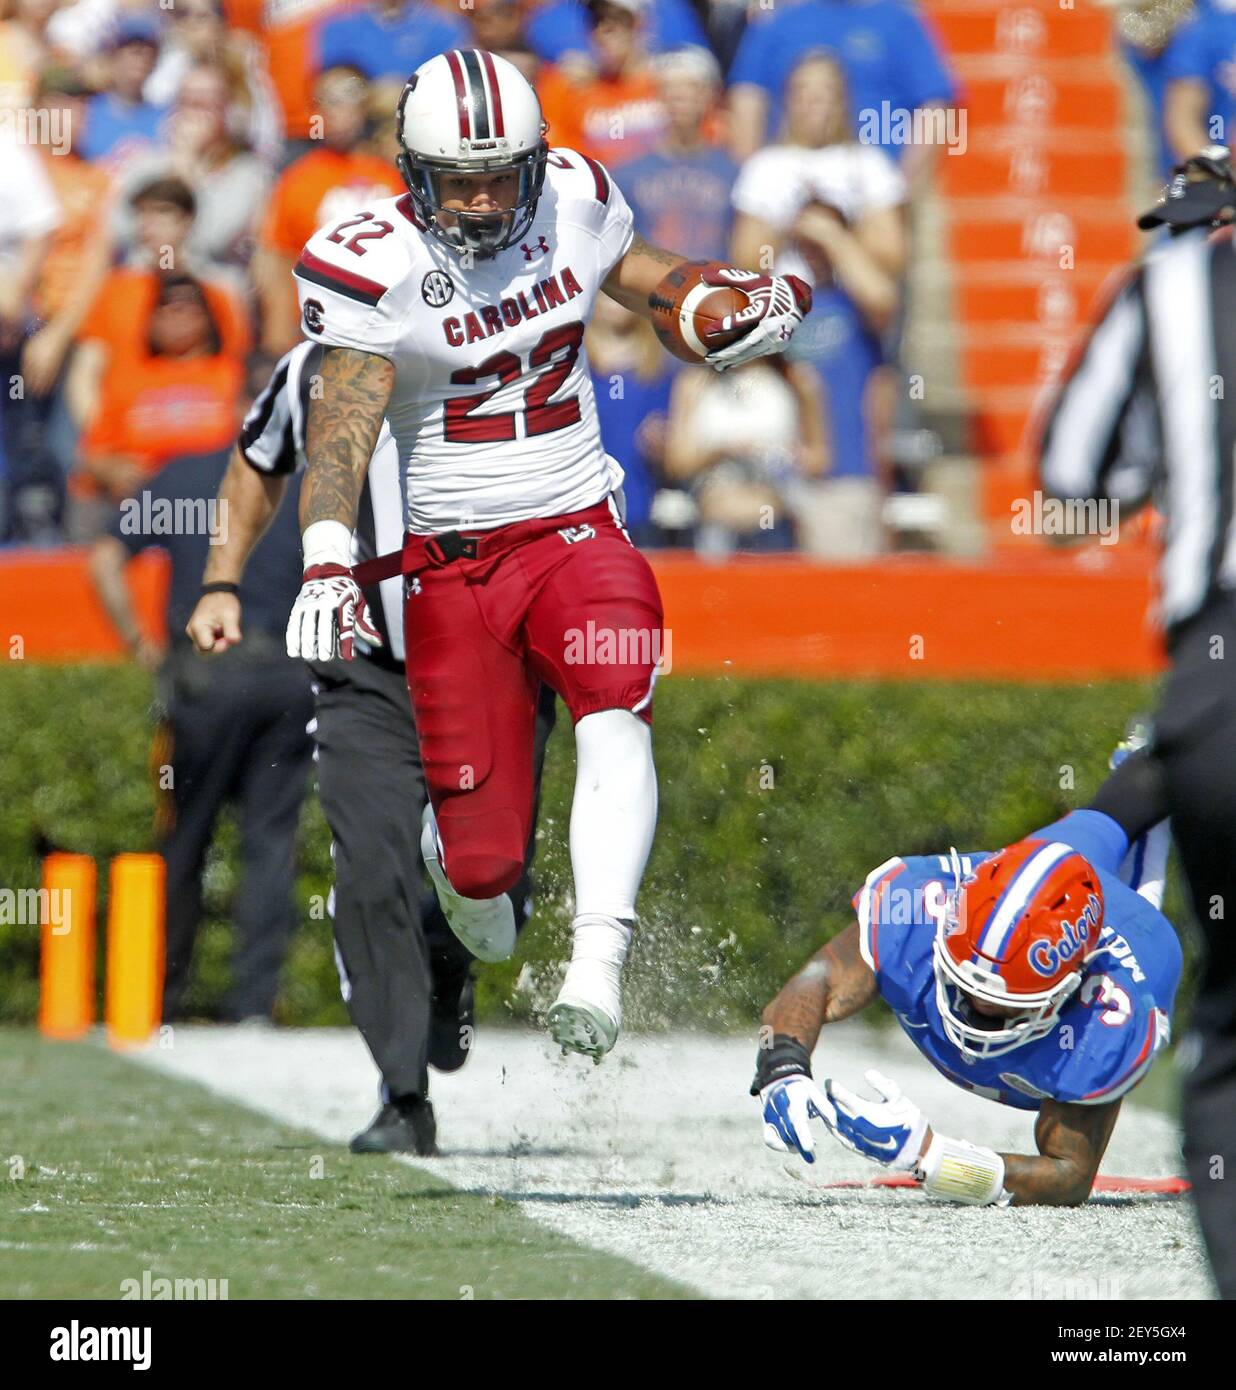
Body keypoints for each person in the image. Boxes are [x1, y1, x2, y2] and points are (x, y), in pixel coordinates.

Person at [281, 47, 811, 1059]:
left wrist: (728, 302)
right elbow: (343, 422)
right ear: (411, 171)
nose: (482, 202)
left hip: (574, 523)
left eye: (499, 175)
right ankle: (465, 908)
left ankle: (596, 970)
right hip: (449, 566)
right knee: (482, 875)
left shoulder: (572, 197)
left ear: (536, 160)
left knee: (619, 696)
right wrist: (323, 556)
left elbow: (652, 281)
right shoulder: (367, 259)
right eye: (458, 180)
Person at [185, 340, 559, 1153]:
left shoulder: (500, 333)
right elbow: (256, 460)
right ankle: (402, 1095)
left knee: (492, 878)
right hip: (366, 665)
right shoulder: (308, 366)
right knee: (367, 867)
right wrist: (221, 581)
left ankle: (446, 956)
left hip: (497, 654)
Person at [1033, 145, 1236, 1294]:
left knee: (1227, 1037)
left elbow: (1067, 486)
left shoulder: (1171, 292)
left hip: (1219, 663)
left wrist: (1168, 459)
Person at [755, 749, 1180, 1207]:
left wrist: (932, 1156)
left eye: (1004, 1000)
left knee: (1162, 832)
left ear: (1071, 985)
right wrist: (782, 1067)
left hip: (1136, 931)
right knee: (1132, 791)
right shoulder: (922, 908)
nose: (977, 1007)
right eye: (963, 983)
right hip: (1067, 855)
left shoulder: (1109, 1013)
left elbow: (1069, 1173)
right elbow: (820, 976)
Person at [88, 445, 314, 1024]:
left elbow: (104, 560)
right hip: (288, 677)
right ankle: (253, 1006)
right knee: (270, 843)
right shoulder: (309, 481)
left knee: (185, 837)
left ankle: (161, 998)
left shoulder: (183, 475)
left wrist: (141, 646)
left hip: (205, 677)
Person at [730, 52, 906, 558]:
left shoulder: (866, 164)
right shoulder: (766, 166)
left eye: (826, 92)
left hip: (844, 331)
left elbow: (888, 266)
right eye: (804, 93)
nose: (815, 105)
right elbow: (745, 261)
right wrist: (792, 226)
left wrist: (829, 233)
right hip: (783, 334)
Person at [253, 63, 403, 355]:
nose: (338, 112)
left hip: (394, 322)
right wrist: (278, 346)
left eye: (348, 99)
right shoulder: (297, 180)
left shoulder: (393, 171)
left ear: (365, 106)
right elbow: (278, 264)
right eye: (328, 101)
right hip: (324, 330)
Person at [726, 0, 958, 186]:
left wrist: (899, 189)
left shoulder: (899, 20)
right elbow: (746, 98)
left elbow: (934, 107)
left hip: (883, 186)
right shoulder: (778, 21)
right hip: (792, 188)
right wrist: (754, 182)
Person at [115, 59, 272, 271]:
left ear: (229, 111)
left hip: (208, 293)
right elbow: (119, 229)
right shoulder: (144, 163)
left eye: (206, 103)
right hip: (144, 288)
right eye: (186, 101)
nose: (194, 112)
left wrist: (185, 170)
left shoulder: (248, 175)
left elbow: (208, 241)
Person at [617, 46, 737, 263]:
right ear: (659, 97)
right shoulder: (624, 175)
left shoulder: (736, 174)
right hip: (648, 292)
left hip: (717, 289)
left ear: (712, 95)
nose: (681, 96)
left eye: (693, 87)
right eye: (670, 88)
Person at [536, 0, 669, 170]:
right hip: (601, 189)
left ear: (641, 24)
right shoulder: (570, 87)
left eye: (616, 19)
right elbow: (557, 154)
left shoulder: (669, 83)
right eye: (596, 21)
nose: (602, 30)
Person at [79, 16, 168, 170]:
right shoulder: (86, 112)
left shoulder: (165, 118)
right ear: (112, 56)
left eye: (149, 51)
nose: (141, 58)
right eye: (133, 50)